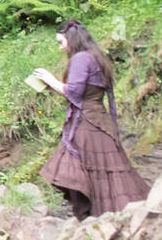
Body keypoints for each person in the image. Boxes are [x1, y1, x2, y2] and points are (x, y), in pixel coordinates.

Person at [35, 20, 150, 219]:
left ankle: (101, 221)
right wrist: (53, 86)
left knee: (92, 176)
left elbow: (74, 92)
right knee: (110, 177)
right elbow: (84, 91)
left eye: (60, 42)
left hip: (88, 126)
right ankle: (115, 219)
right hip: (99, 123)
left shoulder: (80, 58)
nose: (60, 47)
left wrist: (50, 79)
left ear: (71, 39)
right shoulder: (96, 56)